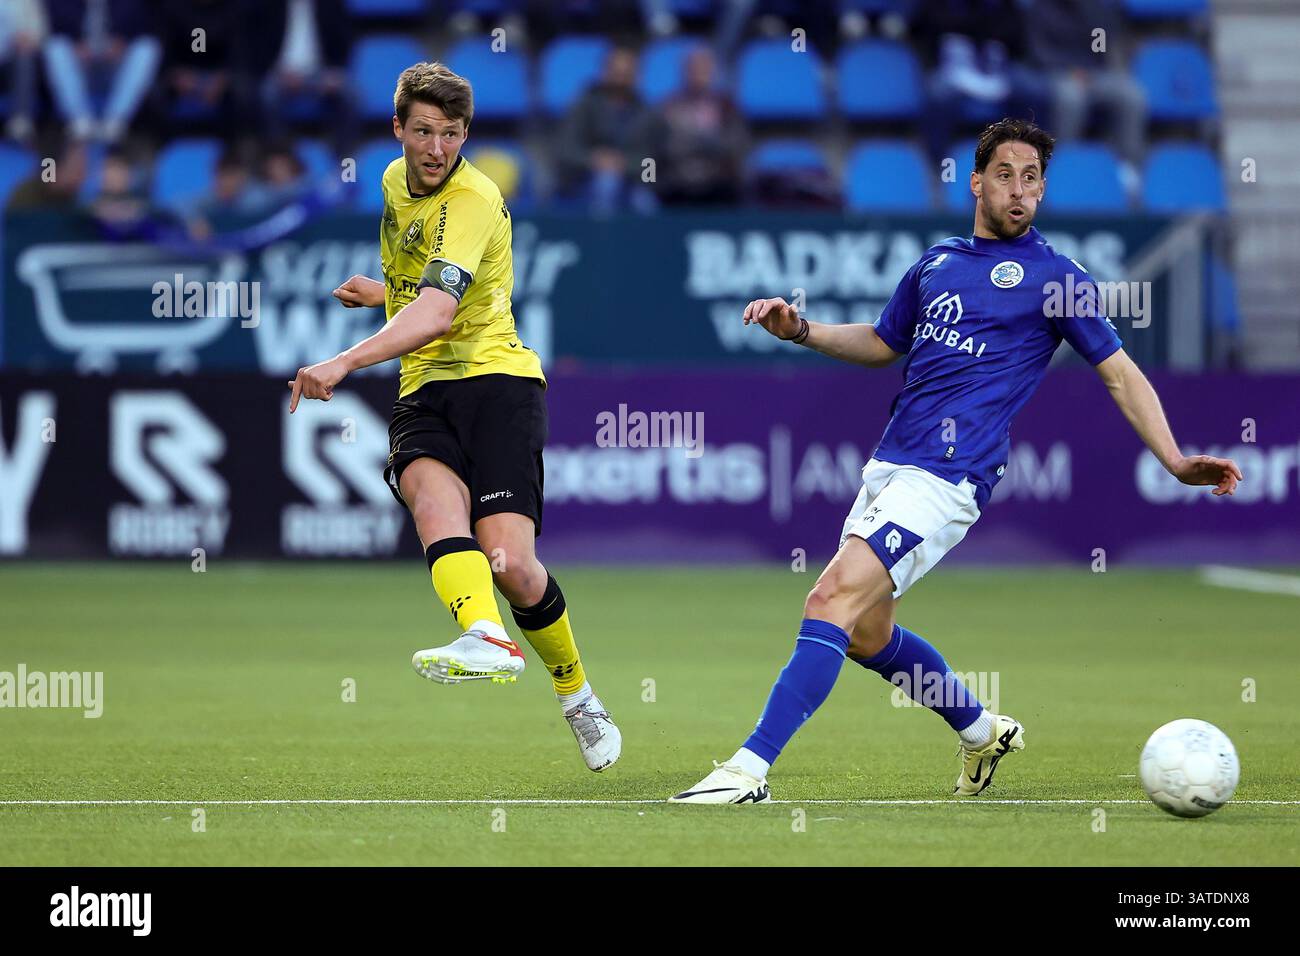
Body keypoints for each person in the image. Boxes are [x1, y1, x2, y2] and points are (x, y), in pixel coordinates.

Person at [671, 118, 1241, 804]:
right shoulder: (937, 262)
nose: (1019, 190)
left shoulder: (1058, 278)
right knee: (865, 632)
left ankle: (748, 770)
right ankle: (980, 730)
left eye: (1032, 178)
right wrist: (801, 330)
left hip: (951, 472)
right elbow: (885, 343)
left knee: (829, 599)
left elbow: (1120, 373)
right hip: (892, 464)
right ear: (976, 182)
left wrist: (1175, 459)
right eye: (1006, 175)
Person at [286, 62, 621, 773]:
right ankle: (485, 637)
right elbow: (420, 284)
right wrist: (384, 292)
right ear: (398, 129)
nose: (436, 148)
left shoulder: (473, 198)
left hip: (498, 382)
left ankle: (577, 694)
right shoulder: (389, 183)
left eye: (451, 133)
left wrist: (342, 363)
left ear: (465, 134)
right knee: (431, 503)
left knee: (515, 566)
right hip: (425, 390)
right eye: (423, 132)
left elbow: (439, 311)